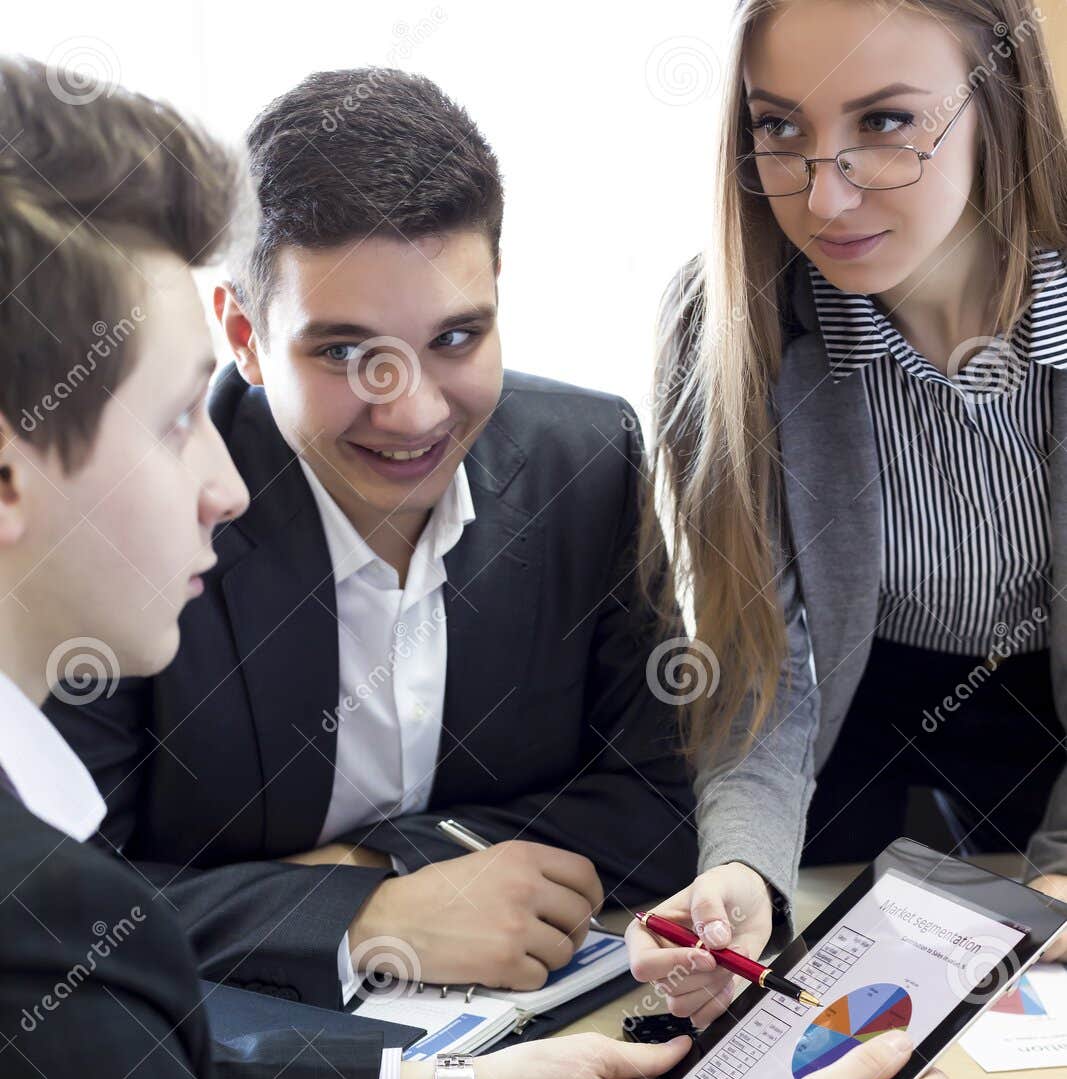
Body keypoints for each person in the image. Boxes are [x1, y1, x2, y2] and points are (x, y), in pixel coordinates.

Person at [0, 56, 948, 1079]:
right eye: (183, 419)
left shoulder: (573, 462)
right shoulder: (37, 921)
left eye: (457, 335)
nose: (222, 486)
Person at [48, 66, 698, 1012]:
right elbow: (60, 909)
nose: (415, 412)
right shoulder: (136, 509)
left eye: (455, 339)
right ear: (243, 333)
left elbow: (655, 807)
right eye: (346, 353)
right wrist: (363, 919)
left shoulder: (586, 461)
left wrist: (379, 862)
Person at [628, 0, 1067, 1025]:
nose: (820, 194)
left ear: (995, 105)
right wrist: (742, 868)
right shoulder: (727, 325)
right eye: (779, 126)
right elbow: (757, 660)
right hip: (852, 710)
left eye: (882, 124)